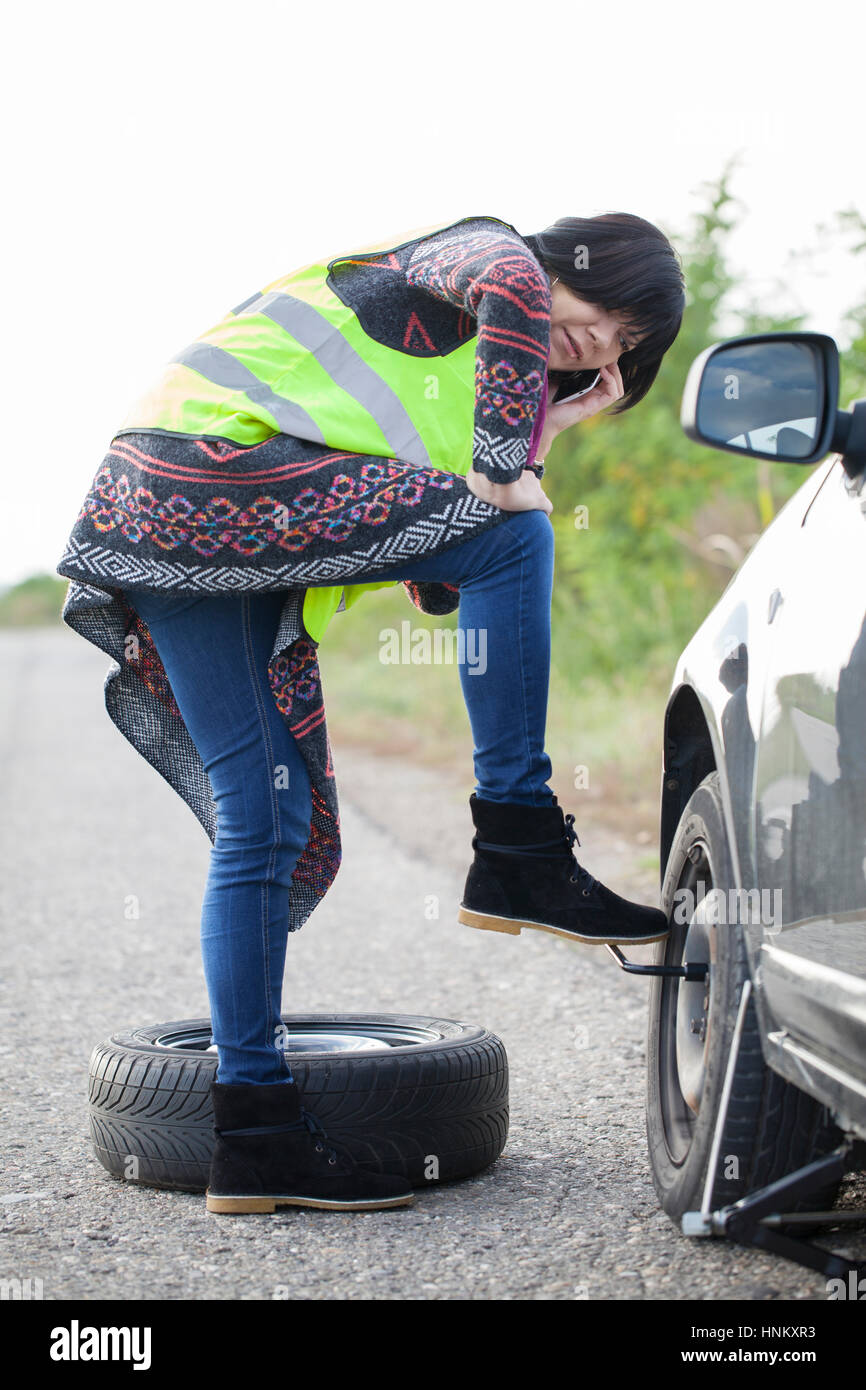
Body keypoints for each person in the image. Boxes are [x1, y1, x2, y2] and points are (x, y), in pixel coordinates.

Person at [56, 211, 686, 1214]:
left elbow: (443, 587)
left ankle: (253, 1142)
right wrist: (505, 455)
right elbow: (512, 328)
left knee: (263, 819)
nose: (602, 346)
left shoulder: (480, 380)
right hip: (209, 469)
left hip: (162, 512)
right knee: (515, 539)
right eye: (611, 313)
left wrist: (543, 435)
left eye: (624, 348)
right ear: (579, 260)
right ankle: (516, 841)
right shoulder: (491, 254)